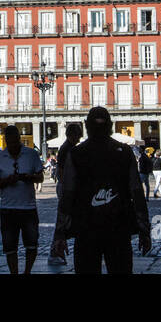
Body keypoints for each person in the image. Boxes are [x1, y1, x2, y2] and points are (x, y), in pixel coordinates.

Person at [52, 106, 151, 274]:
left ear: (86, 126)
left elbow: (67, 195)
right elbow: (136, 191)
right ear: (111, 126)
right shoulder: (125, 152)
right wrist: (144, 229)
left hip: (86, 228)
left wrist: (60, 234)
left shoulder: (76, 154)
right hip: (118, 227)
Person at [0, 125, 44, 274]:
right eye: (10, 141)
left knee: (32, 244)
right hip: (8, 208)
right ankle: (14, 272)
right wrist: (7, 181)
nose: (13, 144)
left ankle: (27, 271)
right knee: (9, 246)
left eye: (15, 141)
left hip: (28, 207)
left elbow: (40, 177)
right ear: (6, 140)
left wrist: (29, 178)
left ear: (19, 138)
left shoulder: (31, 154)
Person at [48, 122, 84, 266]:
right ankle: (55, 251)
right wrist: (67, 188)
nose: (78, 138)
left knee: (65, 220)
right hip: (66, 187)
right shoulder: (67, 149)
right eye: (77, 135)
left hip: (65, 186)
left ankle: (58, 250)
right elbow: (62, 171)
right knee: (63, 220)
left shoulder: (68, 147)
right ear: (72, 135)